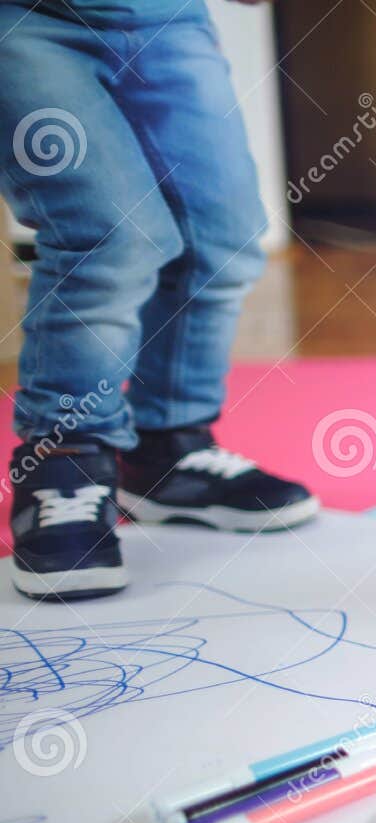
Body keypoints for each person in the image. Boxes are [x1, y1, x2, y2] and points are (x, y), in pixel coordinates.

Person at [1, 0, 317, 602]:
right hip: (25, 19)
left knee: (221, 236)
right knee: (111, 237)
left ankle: (167, 450)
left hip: (166, 17)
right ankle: (64, 456)